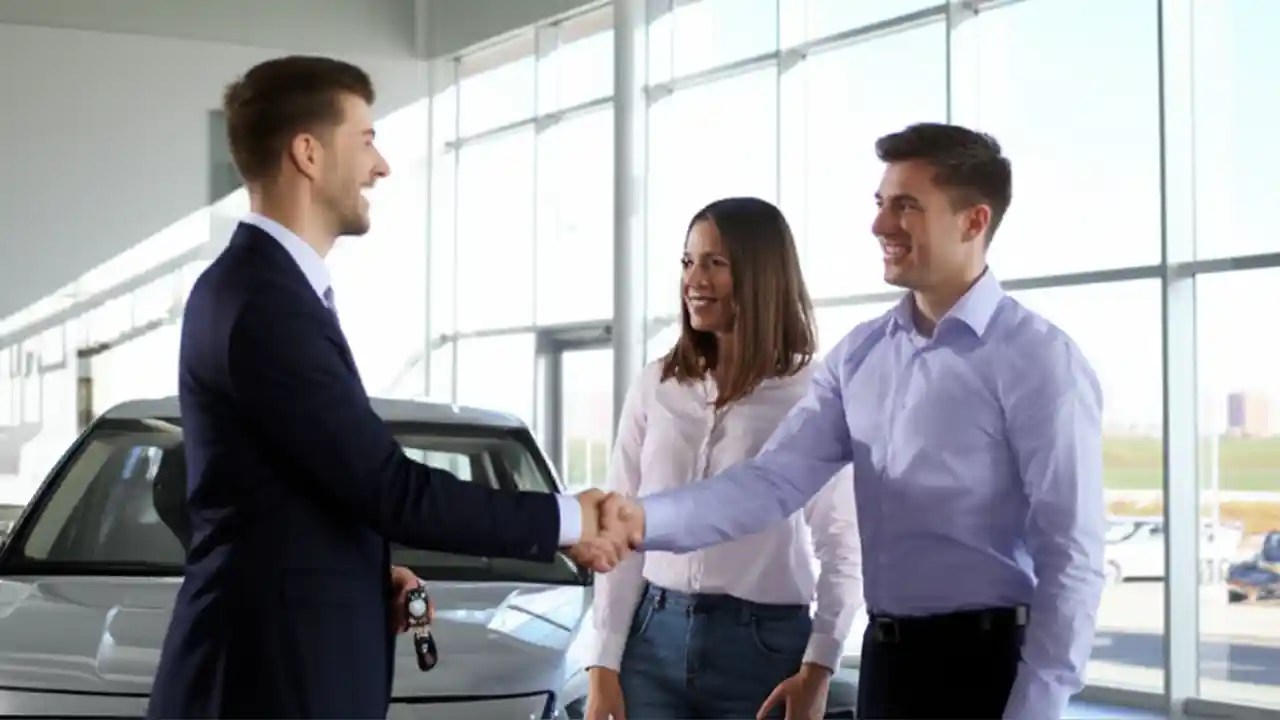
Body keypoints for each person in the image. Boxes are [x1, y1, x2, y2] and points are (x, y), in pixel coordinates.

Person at [146, 55, 621, 720]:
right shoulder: (265, 304)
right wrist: (567, 519)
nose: (382, 166)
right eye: (365, 140)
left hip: (279, 659)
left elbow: (293, 489)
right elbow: (389, 488)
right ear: (308, 154)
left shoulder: (256, 288)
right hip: (267, 680)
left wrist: (361, 576)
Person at [586, 123, 1107, 720]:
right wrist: (645, 518)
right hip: (888, 662)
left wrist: (1037, 706)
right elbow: (771, 482)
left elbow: (1071, 553)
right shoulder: (861, 356)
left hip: (987, 666)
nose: (880, 225)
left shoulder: (1039, 361)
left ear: (973, 222)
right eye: (881, 204)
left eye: (906, 206)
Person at [584, 198, 863, 720]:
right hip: (652, 638)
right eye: (688, 261)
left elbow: (842, 545)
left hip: (765, 648)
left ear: (760, 274)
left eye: (716, 262)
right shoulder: (656, 384)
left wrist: (818, 669)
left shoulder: (812, 393)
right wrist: (603, 665)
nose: (695, 279)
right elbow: (617, 531)